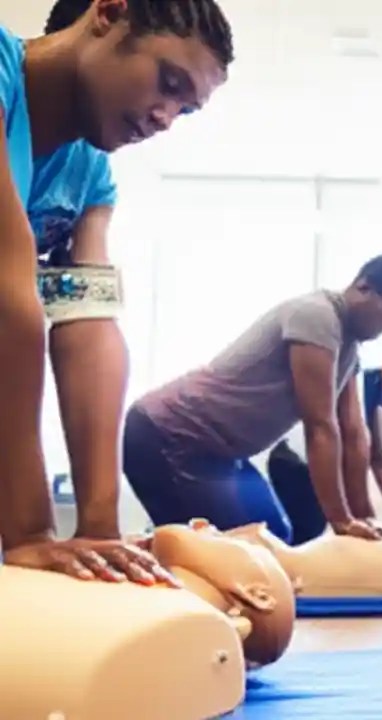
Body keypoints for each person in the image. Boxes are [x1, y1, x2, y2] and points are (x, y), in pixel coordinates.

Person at [0, 0, 232, 585]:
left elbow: (88, 324)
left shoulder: (90, 175)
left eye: (185, 109)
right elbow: (8, 296)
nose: (165, 118)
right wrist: (28, 532)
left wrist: (99, 528)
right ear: (109, 14)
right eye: (168, 82)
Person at [121, 254, 382, 544]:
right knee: (246, 551)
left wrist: (364, 517)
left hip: (223, 455)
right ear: (363, 288)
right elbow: (320, 425)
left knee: (274, 537)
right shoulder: (316, 315)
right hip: (169, 435)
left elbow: (354, 432)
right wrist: (341, 520)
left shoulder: (348, 348)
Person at [268, 327, 382, 544]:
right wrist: (368, 517)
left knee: (318, 531)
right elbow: (376, 459)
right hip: (294, 461)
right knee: (307, 531)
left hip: (319, 465)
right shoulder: (363, 385)